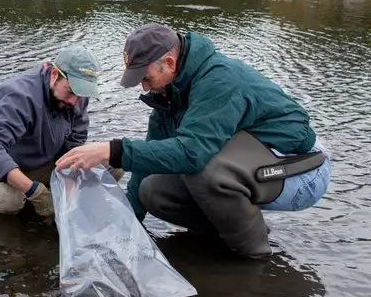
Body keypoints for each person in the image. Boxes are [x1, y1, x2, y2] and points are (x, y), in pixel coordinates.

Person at [57, 24, 331, 258]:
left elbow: (192, 154)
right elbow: (146, 164)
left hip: (301, 170)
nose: (144, 87)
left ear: (170, 63)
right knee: (152, 190)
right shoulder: (170, 95)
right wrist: (126, 229)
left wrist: (111, 150)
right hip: (256, 168)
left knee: (204, 169)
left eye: (147, 78)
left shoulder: (218, 80)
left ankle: (254, 258)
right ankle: (232, 233)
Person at [0, 44, 100, 217]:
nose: (75, 101)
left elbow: (75, 141)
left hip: (44, 158)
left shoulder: (76, 96)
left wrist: (70, 179)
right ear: (54, 75)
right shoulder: (20, 95)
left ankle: (46, 190)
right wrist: (35, 192)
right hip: (0, 160)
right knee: (8, 202)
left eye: (82, 95)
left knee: (109, 166)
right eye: (70, 92)